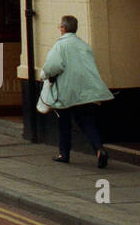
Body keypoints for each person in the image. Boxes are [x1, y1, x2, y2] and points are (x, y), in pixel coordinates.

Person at [40, 15, 114, 168]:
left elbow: (52, 66)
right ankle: (99, 149)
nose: (59, 28)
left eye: (59, 26)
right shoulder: (84, 45)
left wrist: (44, 75)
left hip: (66, 91)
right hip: (85, 90)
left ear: (63, 28)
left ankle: (64, 154)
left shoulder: (60, 45)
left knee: (64, 123)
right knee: (86, 122)